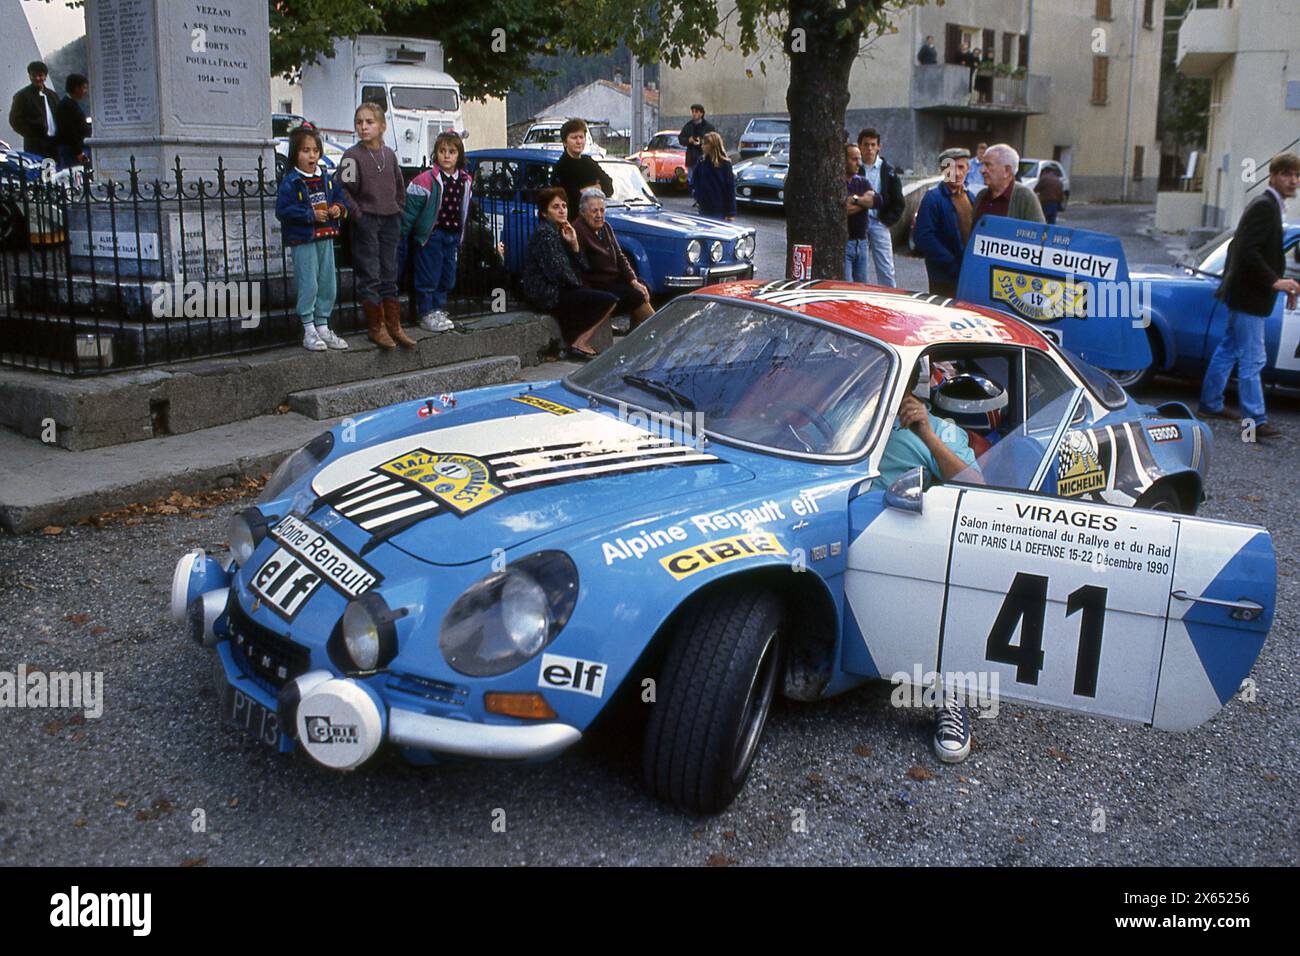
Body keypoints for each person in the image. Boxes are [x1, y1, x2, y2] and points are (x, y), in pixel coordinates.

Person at [872, 358, 981, 763]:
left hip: (903, 529)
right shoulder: (850, 409)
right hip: (840, 517)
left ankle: (949, 695)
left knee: (946, 572)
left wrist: (927, 436)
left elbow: (979, 490)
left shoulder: (942, 429)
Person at [1198, 153, 1300, 440]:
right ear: (1272, 176)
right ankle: (1255, 420)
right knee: (1253, 358)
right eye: (1287, 174)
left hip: (1244, 294)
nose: (1293, 181)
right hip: (1249, 297)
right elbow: (1246, 251)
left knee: (1229, 348)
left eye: (1296, 175)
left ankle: (1210, 404)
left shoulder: (1269, 206)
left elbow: (1244, 250)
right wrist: (1275, 281)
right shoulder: (1265, 207)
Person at [340, 103, 412, 350]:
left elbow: (399, 185)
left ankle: (394, 325)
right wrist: (358, 214)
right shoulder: (351, 156)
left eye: (369, 122)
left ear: (381, 126)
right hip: (367, 220)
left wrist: (399, 209)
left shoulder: (389, 154)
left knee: (389, 273)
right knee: (370, 274)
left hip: (390, 219)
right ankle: (376, 327)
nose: (363, 127)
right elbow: (344, 190)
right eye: (359, 122)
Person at [275, 126, 350, 351]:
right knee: (309, 283)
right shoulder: (291, 181)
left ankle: (323, 325)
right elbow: (283, 210)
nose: (312, 156)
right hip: (304, 239)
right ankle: (308, 328)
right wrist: (310, 215)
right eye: (306, 151)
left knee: (328, 282)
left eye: (315, 150)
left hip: (325, 237)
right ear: (295, 154)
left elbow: (340, 198)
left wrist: (338, 209)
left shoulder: (326, 178)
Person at [521, 186, 617, 359]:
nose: (562, 211)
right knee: (609, 300)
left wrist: (574, 245)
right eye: (555, 207)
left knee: (600, 297)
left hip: (560, 288)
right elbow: (558, 272)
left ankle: (574, 343)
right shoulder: (545, 234)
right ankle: (580, 344)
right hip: (545, 293)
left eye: (564, 206)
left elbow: (582, 266)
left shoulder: (561, 232)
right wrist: (579, 284)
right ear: (544, 213)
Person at [399, 131, 473, 334]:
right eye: (442, 151)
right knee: (428, 276)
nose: (447, 156)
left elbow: (464, 208)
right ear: (435, 154)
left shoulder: (465, 181)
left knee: (447, 276)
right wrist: (404, 233)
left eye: (451, 151)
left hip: (453, 234)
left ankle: (439, 309)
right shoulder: (425, 180)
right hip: (432, 235)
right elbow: (410, 211)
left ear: (459, 155)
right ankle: (426, 312)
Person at [573, 188, 654, 329]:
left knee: (644, 286)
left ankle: (636, 332)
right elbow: (580, 265)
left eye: (602, 210)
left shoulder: (606, 227)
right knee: (635, 296)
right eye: (594, 211)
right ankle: (657, 330)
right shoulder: (578, 230)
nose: (599, 215)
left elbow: (620, 257)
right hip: (597, 285)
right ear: (583, 212)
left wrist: (633, 280)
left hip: (613, 280)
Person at [912, 148, 977, 298]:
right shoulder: (933, 198)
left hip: (966, 274)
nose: (957, 173)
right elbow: (923, 237)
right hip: (943, 276)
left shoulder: (971, 197)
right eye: (951, 168)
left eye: (961, 167)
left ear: (968, 169)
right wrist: (952, 264)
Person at [854, 127, 904, 287]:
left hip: (878, 222)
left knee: (886, 268)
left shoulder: (887, 171)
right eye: (866, 145)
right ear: (859, 146)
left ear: (878, 147)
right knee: (858, 265)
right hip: (858, 222)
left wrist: (886, 221)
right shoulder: (855, 168)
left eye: (873, 145)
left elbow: (898, 201)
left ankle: (889, 298)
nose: (869, 149)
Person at [554, 118, 613, 223]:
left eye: (581, 137)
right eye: (574, 137)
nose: (579, 141)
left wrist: (584, 191)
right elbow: (572, 199)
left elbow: (609, 187)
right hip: (574, 222)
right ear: (565, 142)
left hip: (593, 221)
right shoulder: (561, 167)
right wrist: (596, 188)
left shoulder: (588, 162)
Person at [973, 143, 1045, 225]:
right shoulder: (981, 195)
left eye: (988, 165)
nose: (982, 170)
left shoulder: (1025, 197)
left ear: (1007, 170)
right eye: (982, 165)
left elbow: (1039, 234)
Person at [8, 61, 59, 159]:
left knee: (56, 172)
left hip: (54, 144)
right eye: (34, 75)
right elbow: (14, 121)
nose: (37, 78)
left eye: (40, 75)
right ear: (29, 76)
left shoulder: (53, 95)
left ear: (45, 76)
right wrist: (31, 135)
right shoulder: (22, 96)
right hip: (35, 146)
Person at [691, 131, 736, 220]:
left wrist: (731, 212)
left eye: (704, 144)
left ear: (712, 146)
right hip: (704, 205)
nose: (702, 146)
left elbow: (730, 189)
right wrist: (696, 194)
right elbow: (695, 180)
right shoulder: (701, 161)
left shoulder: (725, 164)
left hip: (719, 207)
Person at [844, 144, 870, 282]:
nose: (858, 163)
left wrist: (855, 200)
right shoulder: (838, 183)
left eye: (859, 159)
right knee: (846, 287)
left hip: (862, 242)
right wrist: (863, 203)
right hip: (845, 243)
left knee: (862, 288)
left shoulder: (863, 182)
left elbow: (875, 201)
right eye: (854, 159)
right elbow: (843, 210)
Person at [53, 74, 90, 170]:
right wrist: (78, 152)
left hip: (73, 149)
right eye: (84, 88)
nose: (85, 91)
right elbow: (69, 131)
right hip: (71, 151)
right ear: (76, 88)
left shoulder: (70, 104)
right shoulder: (66, 106)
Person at [677, 104, 715, 186]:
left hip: (705, 158)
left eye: (696, 112)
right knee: (692, 181)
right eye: (693, 112)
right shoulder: (688, 126)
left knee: (704, 181)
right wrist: (688, 140)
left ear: (701, 113)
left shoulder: (708, 127)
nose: (694, 114)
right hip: (692, 158)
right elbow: (681, 138)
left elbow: (714, 140)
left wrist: (702, 142)